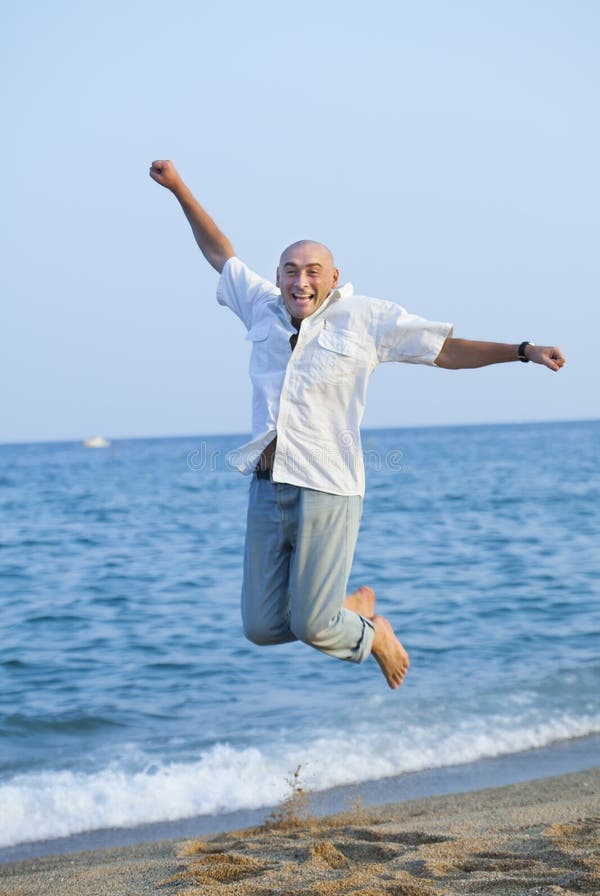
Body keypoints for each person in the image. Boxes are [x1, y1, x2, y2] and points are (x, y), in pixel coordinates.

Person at [149, 159, 566, 690]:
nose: (301, 279)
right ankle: (348, 608)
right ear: (277, 278)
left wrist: (523, 351)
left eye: (312, 270)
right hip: (266, 487)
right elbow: (218, 250)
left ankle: (375, 635)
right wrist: (180, 189)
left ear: (333, 278)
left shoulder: (367, 319)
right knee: (259, 626)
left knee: (311, 623)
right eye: (291, 270)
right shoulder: (259, 307)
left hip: (328, 489)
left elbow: (447, 351)